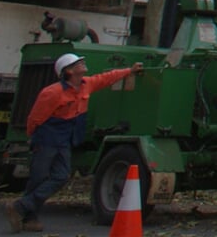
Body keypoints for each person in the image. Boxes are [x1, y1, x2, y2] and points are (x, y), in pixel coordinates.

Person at [8, 53, 144, 231]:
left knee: (61, 176)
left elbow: (106, 78)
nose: (83, 63)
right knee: (38, 178)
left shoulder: (86, 85)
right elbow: (35, 119)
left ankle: (21, 206)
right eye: (78, 63)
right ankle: (28, 218)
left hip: (65, 138)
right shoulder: (52, 92)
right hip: (47, 138)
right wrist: (33, 138)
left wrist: (129, 70)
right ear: (69, 71)